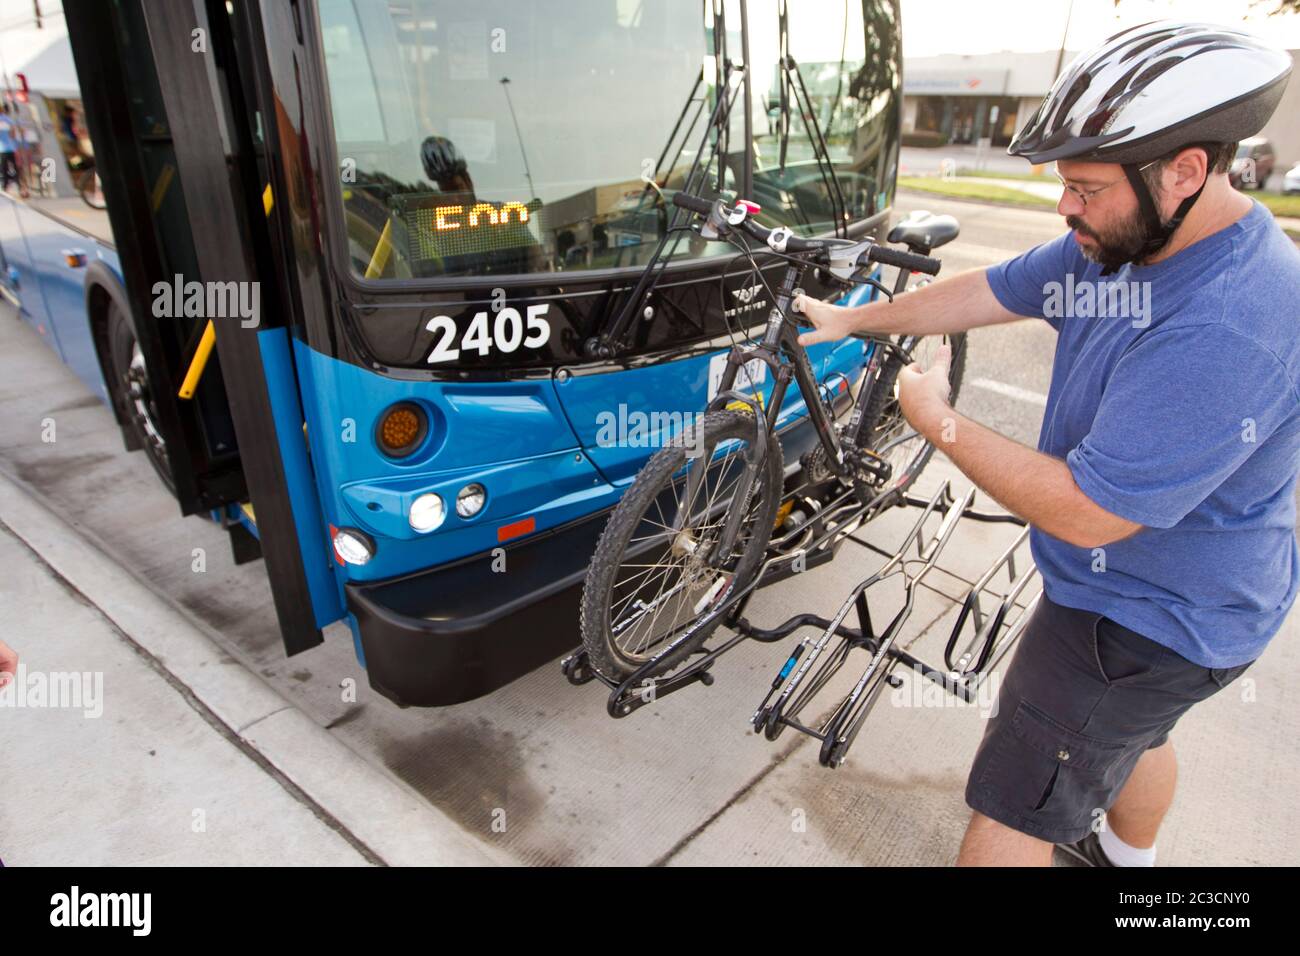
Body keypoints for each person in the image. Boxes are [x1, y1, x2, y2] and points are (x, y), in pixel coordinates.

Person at [793, 21, 1299, 867]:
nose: (1067, 207)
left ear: (1186, 170)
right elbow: (991, 290)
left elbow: (1090, 513)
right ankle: (1123, 864)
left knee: (1011, 817)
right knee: (1132, 740)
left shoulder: (1229, 321)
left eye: (1087, 187)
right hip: (1193, 611)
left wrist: (935, 418)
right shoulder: (1130, 236)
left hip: (1141, 625)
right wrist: (854, 319)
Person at [0, 104, 20, 195]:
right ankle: (18, 184)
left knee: (4, 168)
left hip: (3, 148)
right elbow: (13, 134)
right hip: (11, 147)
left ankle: (5, 185)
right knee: (14, 166)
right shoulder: (8, 120)